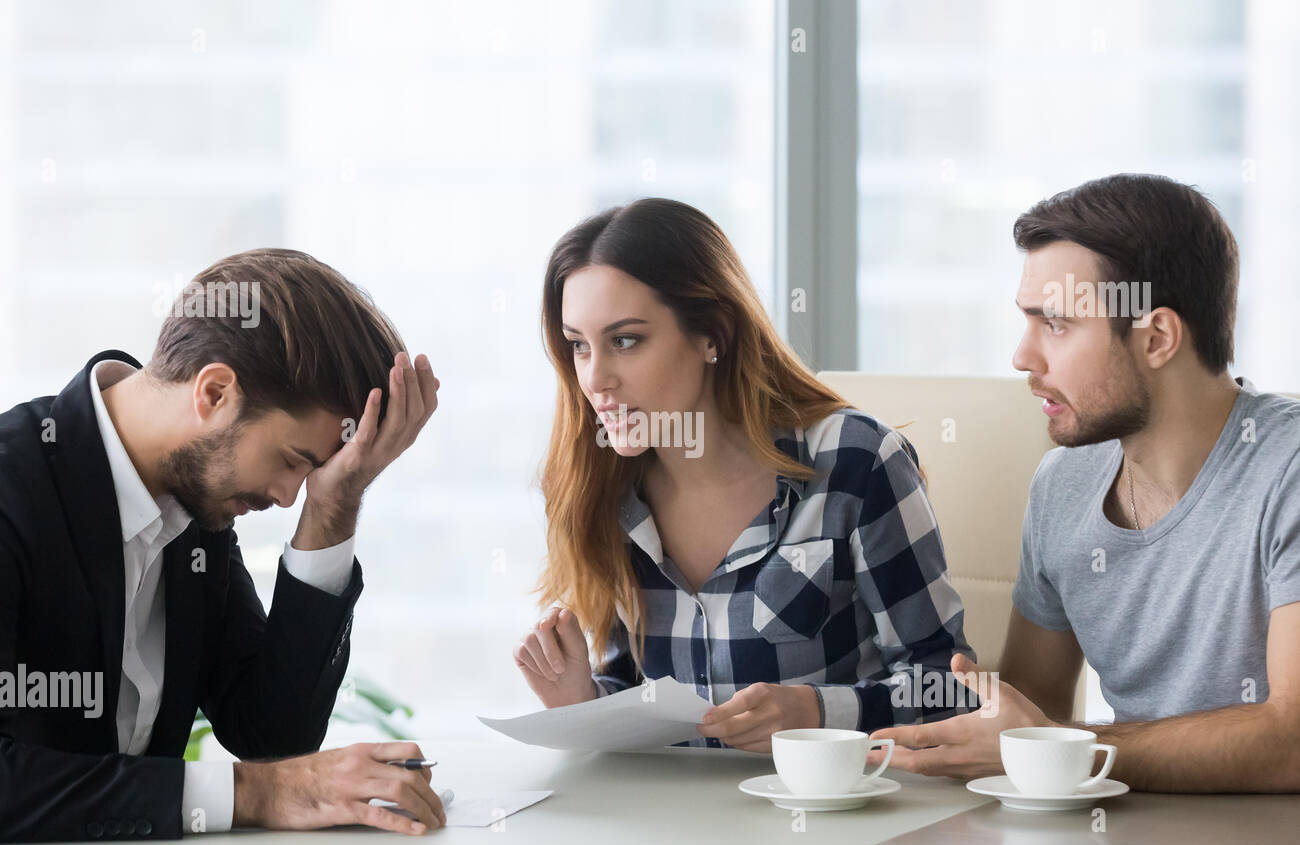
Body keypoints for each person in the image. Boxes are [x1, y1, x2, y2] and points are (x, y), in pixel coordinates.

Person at [869, 174, 1300, 793]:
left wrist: (1057, 750)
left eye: (1057, 325)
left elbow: (1291, 742)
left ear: (1156, 338)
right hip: (1117, 835)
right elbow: (1026, 717)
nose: (1023, 357)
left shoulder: (1287, 470)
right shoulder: (1063, 485)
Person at [0, 248, 446, 841]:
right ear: (213, 393)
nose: (290, 497)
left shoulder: (191, 514)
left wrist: (334, 502)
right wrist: (257, 793)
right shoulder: (13, 491)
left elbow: (270, 735)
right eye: (295, 461)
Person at [513, 198, 975, 751]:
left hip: (829, 820)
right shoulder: (601, 492)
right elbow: (636, 694)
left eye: (625, 340)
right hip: (676, 825)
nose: (596, 378)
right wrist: (581, 701)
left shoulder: (857, 462)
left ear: (714, 334)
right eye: (579, 346)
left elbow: (948, 689)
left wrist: (815, 713)